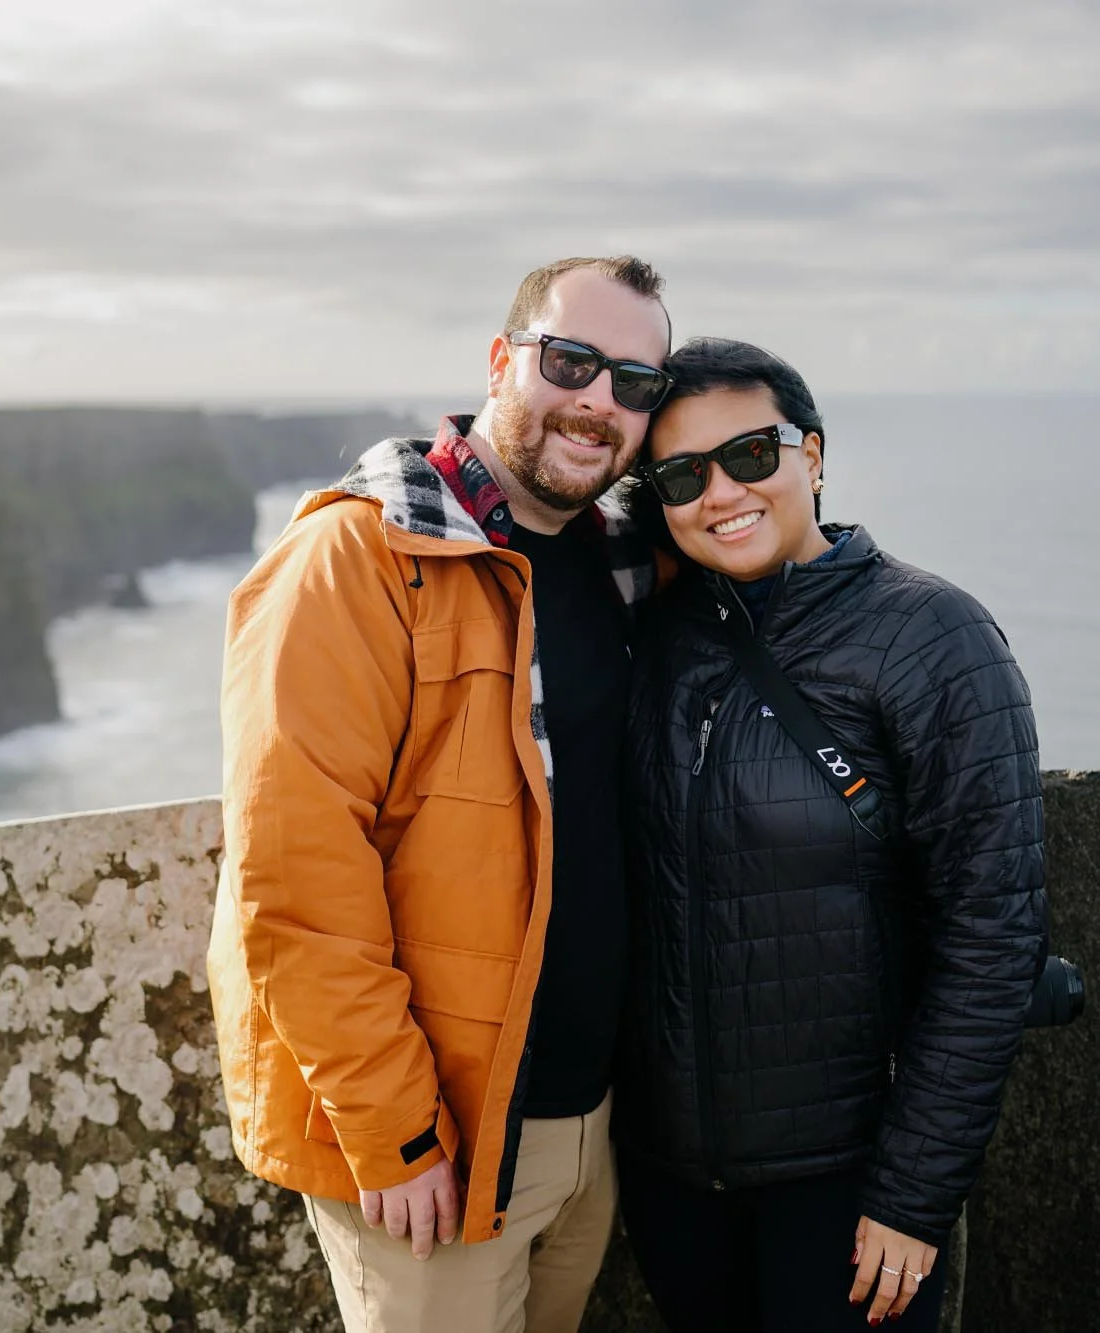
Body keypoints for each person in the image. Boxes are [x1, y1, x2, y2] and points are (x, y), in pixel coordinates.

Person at [206, 256, 671, 1333]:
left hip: (588, 1123)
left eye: (634, 383)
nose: (598, 401)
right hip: (441, 1145)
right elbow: (294, 879)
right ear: (502, 361)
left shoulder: (622, 567)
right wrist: (396, 1130)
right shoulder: (355, 556)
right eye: (571, 361)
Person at [614, 338, 1048, 1330]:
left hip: (848, 1186)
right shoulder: (655, 634)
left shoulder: (931, 635)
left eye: (750, 454)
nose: (722, 492)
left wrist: (912, 1194)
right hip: (672, 1186)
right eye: (682, 475)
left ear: (810, 454)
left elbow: (992, 935)